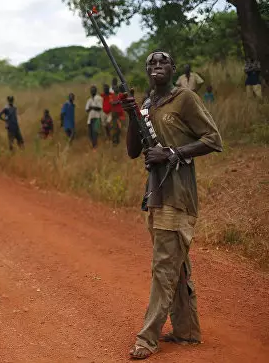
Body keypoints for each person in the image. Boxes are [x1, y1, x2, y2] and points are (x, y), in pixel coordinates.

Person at [121, 51, 222, 360]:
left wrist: (173, 153)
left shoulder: (185, 98)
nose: (157, 67)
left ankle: (147, 339)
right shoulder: (149, 105)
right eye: (151, 63)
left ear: (173, 68)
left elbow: (213, 139)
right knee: (175, 264)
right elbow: (133, 151)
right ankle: (187, 331)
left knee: (164, 267)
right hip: (156, 195)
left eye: (163, 62)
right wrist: (132, 116)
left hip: (179, 196)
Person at [85, 85, 103, 150]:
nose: (92, 91)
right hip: (90, 118)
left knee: (95, 132)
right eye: (91, 90)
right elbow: (87, 109)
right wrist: (92, 107)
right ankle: (94, 145)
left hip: (97, 117)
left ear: (95, 91)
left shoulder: (99, 98)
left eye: (93, 90)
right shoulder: (89, 100)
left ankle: (94, 146)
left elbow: (99, 108)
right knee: (90, 134)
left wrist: (91, 107)